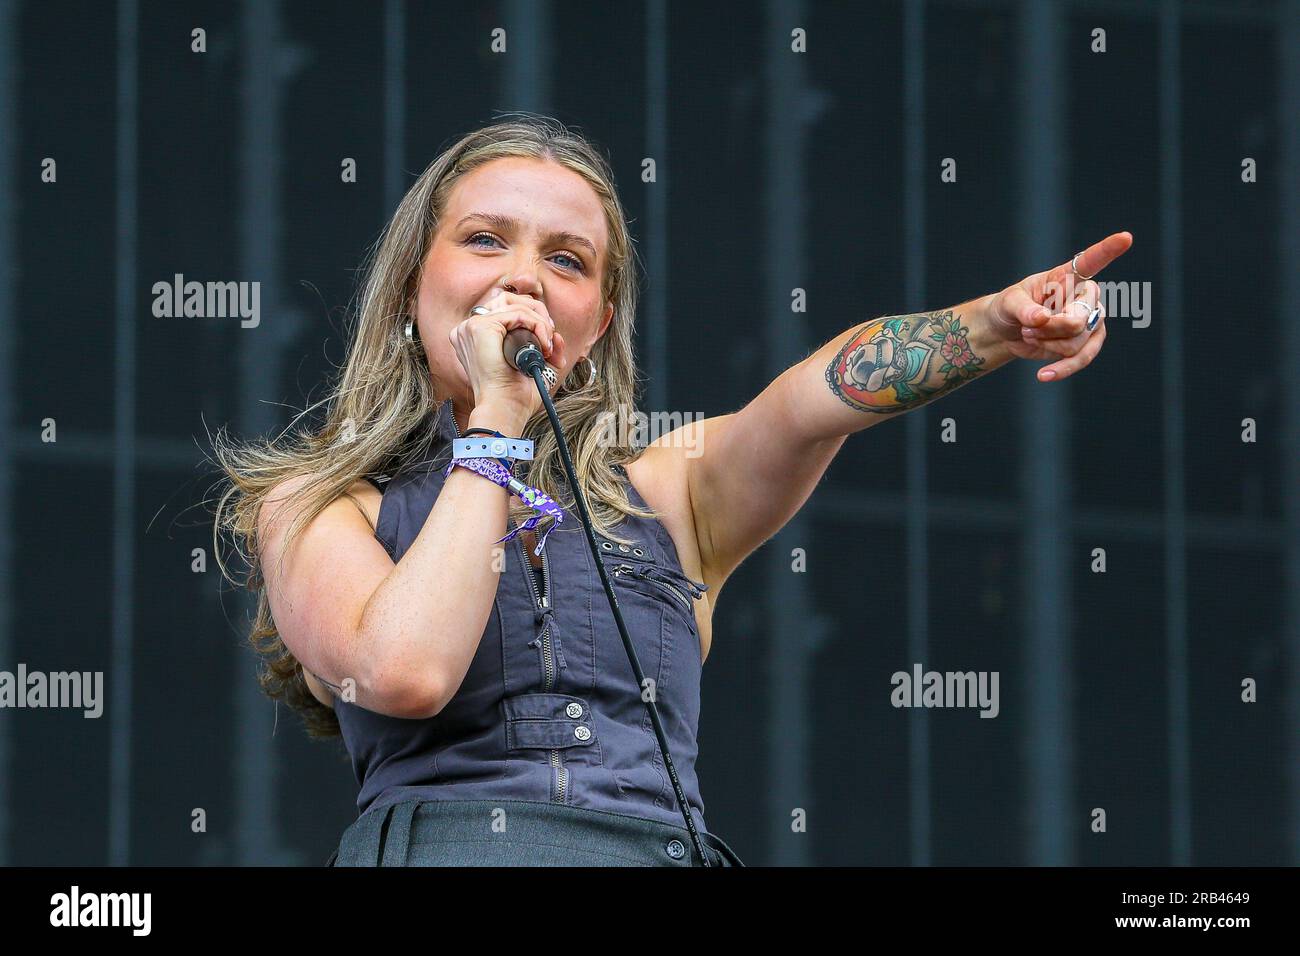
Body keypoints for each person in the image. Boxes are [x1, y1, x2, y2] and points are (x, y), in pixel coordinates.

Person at [212, 114, 1131, 867]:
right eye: (485, 240)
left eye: (567, 260)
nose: (524, 276)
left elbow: (816, 398)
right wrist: (496, 417)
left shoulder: (667, 493)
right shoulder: (316, 504)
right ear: (417, 284)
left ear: (597, 320)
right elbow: (406, 671)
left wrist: (997, 326)